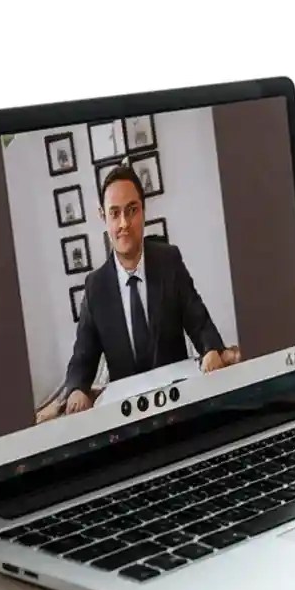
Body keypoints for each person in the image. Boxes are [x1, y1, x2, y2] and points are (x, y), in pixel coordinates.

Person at [61, 163, 235, 415]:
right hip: (128, 415)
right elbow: (82, 357)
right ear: (103, 216)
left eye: (132, 210)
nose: (124, 223)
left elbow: (199, 321)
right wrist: (77, 389)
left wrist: (210, 350)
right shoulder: (95, 287)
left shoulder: (169, 260)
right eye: (114, 213)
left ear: (143, 210)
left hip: (179, 403)